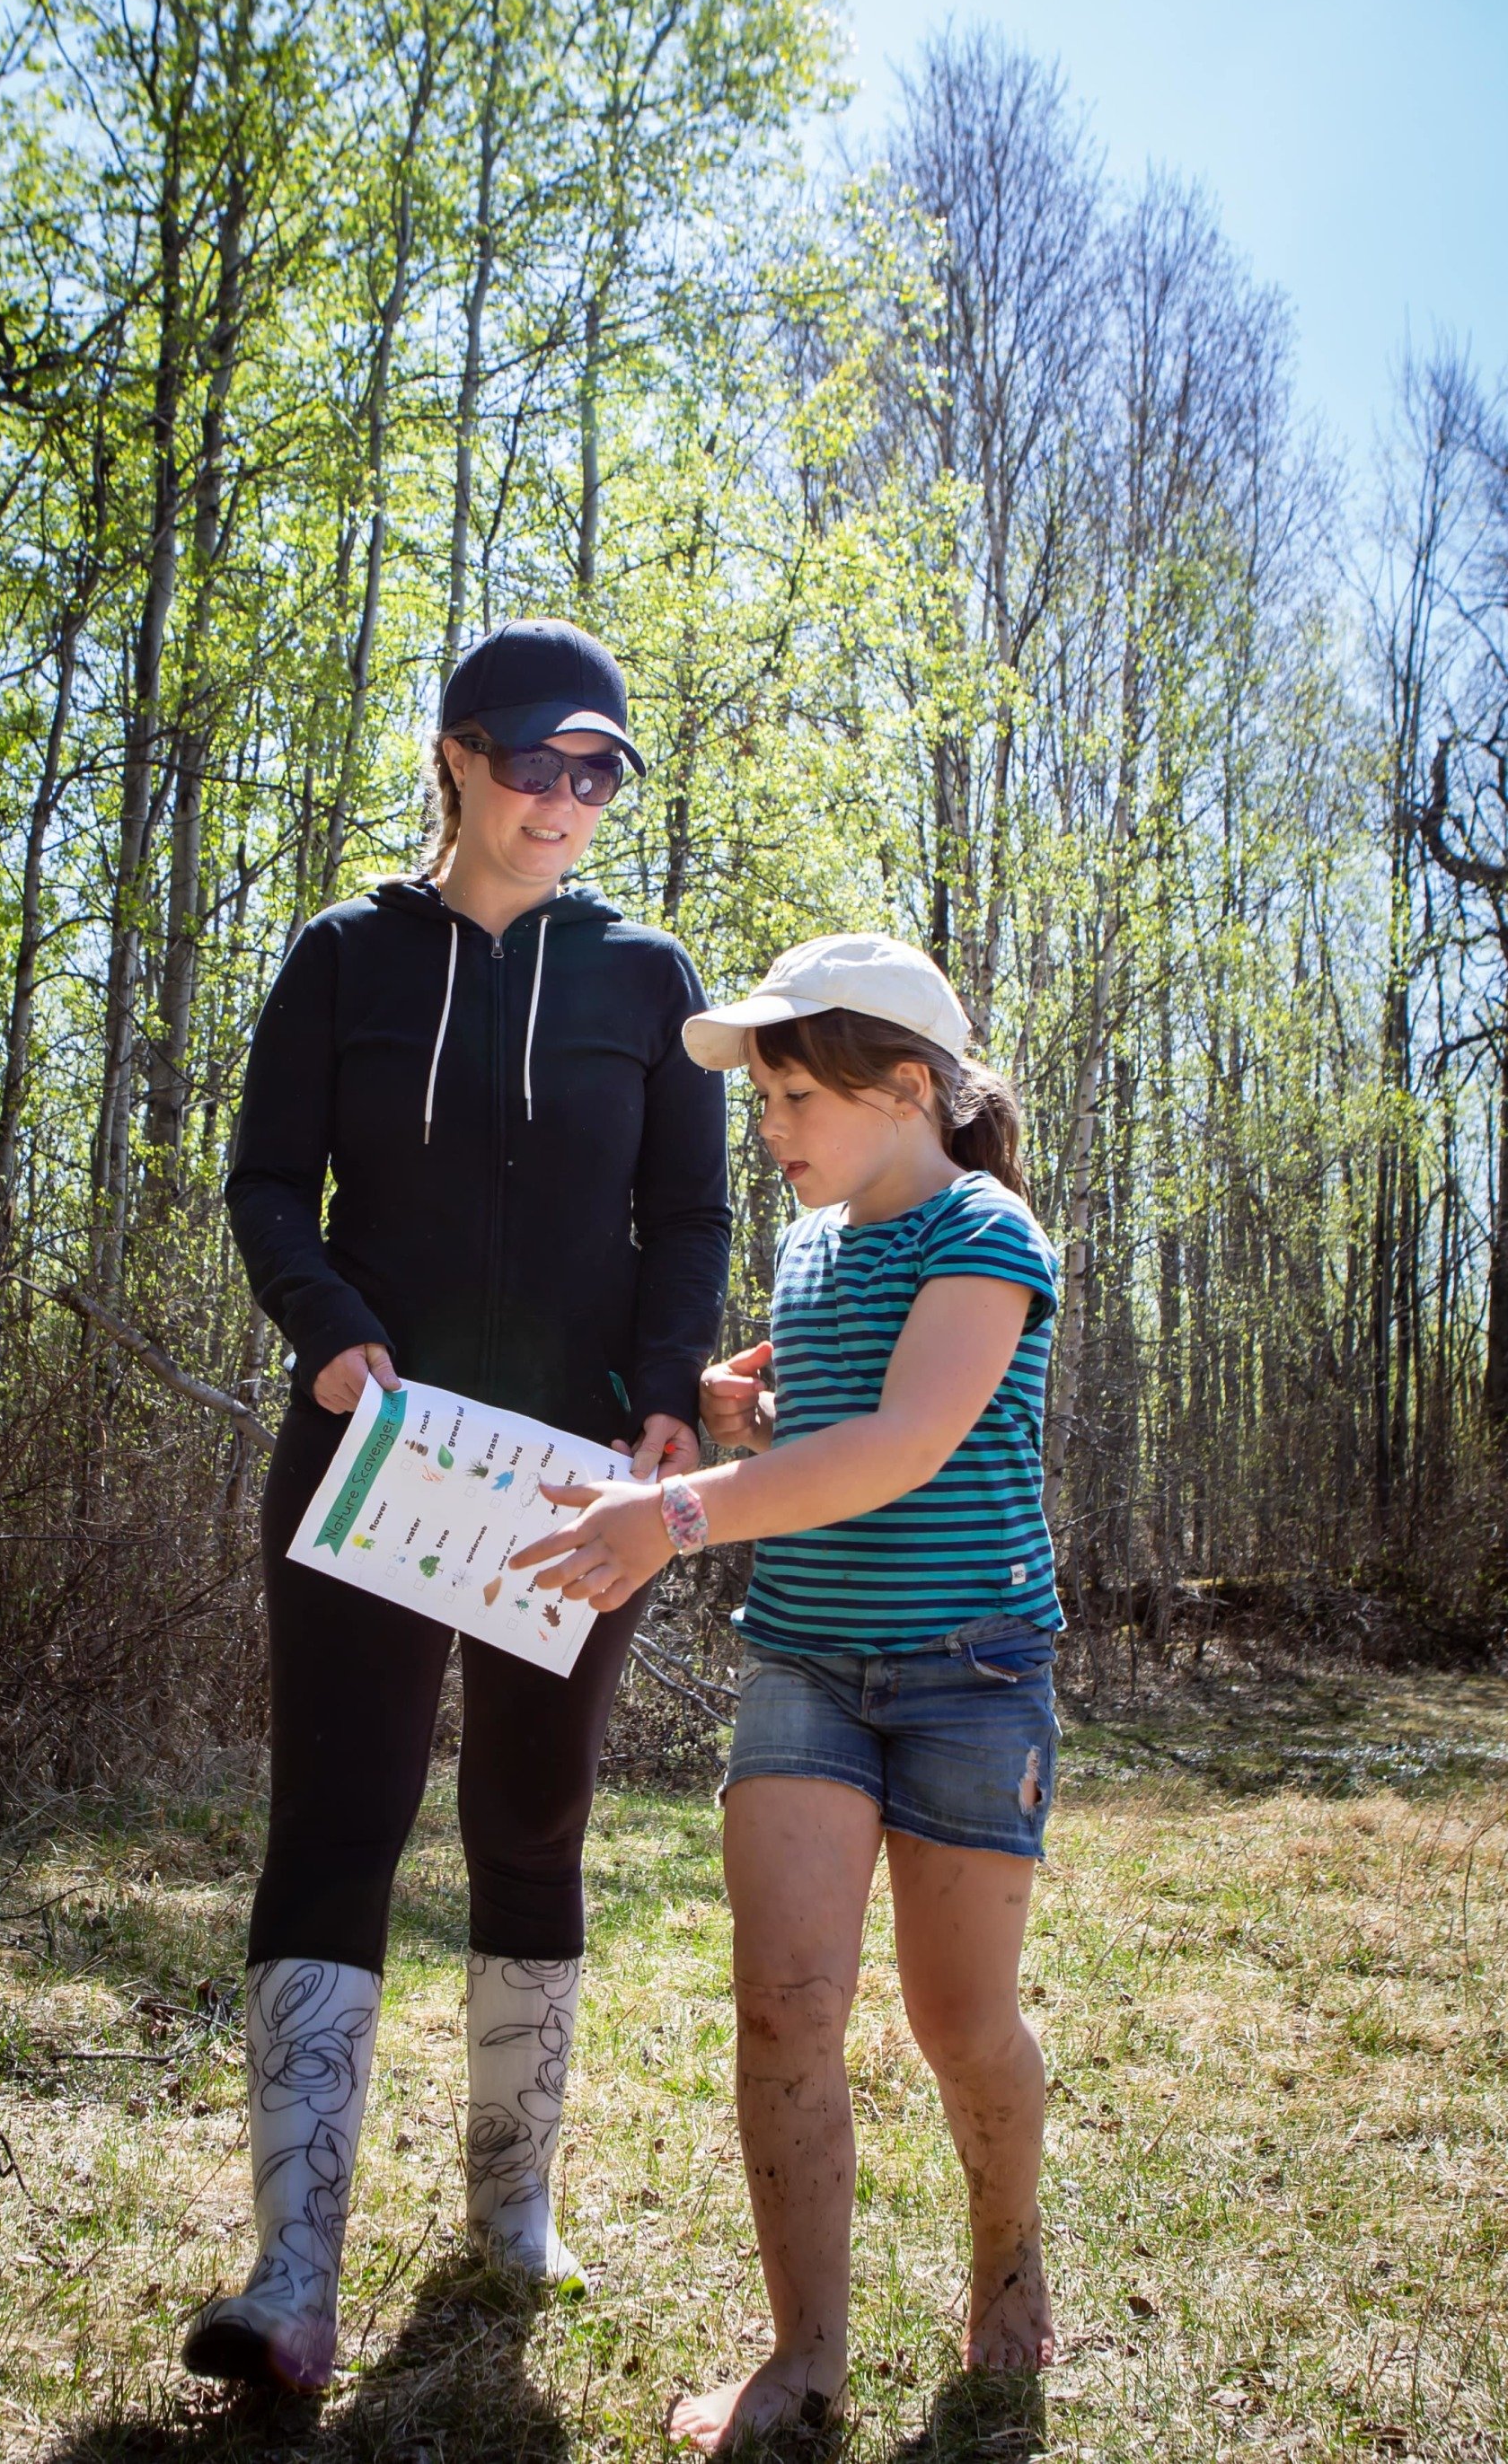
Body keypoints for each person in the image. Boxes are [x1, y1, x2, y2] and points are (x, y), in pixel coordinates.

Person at [183, 620, 730, 2394]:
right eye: (538, 764)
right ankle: (293, 2272)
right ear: (458, 756)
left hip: (568, 1479)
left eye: (599, 773)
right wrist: (333, 1340)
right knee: (335, 1820)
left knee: (532, 1817)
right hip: (369, 1463)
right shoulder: (345, 957)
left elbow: (693, 1221)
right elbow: (267, 1184)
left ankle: (512, 2217)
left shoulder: (645, 979)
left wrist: (662, 1386)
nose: (568, 801)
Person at [510, 930, 1063, 2446]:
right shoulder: (814, 1242)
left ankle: (1007, 2255)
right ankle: (804, 2354)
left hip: (972, 1670)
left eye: (788, 1103)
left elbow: (899, 1445)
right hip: (805, 1662)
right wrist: (736, 1396)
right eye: (760, 1106)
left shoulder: (988, 1231)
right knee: (783, 2012)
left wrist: (680, 1515)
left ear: (900, 1090)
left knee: (961, 2025)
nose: (767, 1138)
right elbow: (829, 1399)